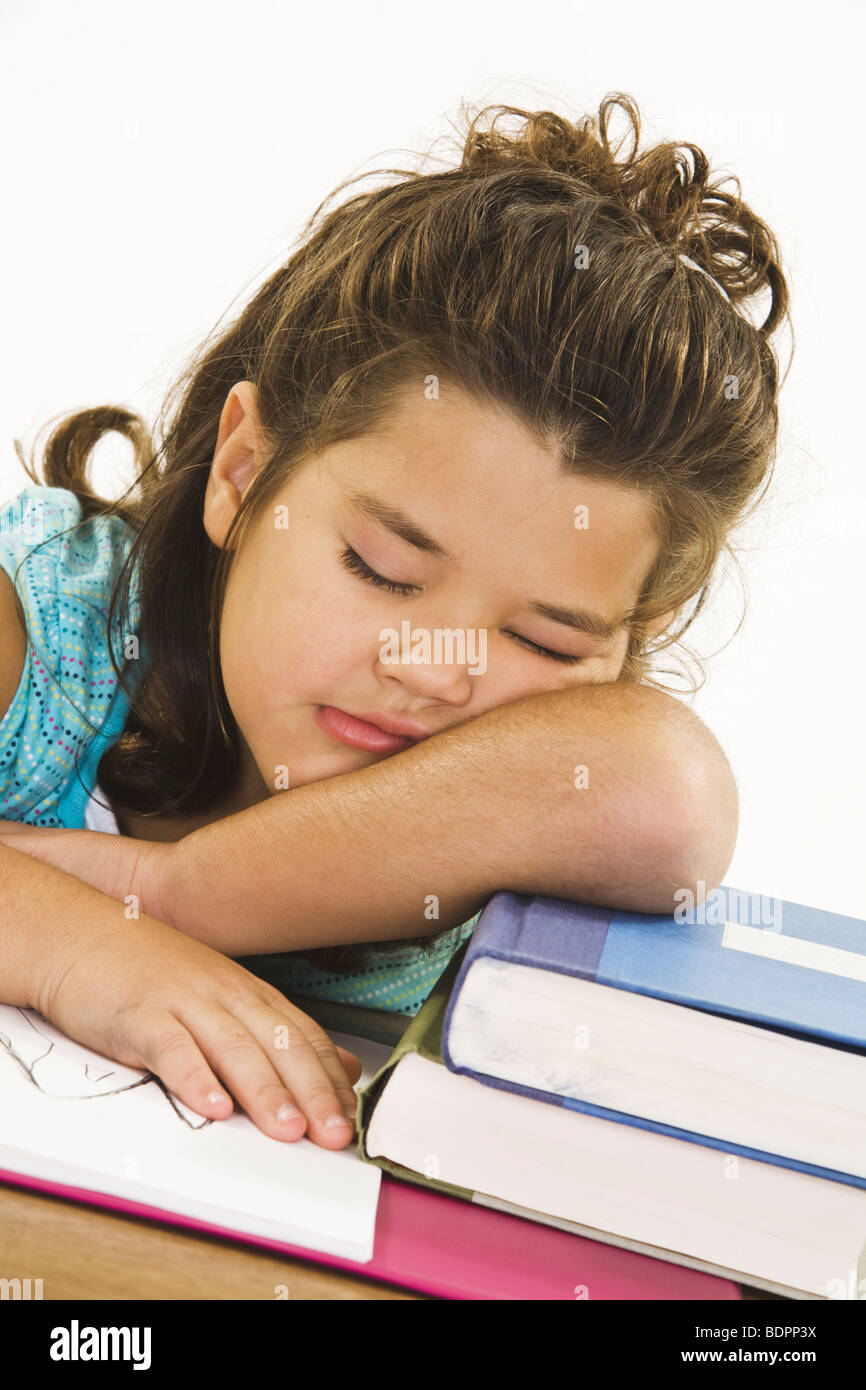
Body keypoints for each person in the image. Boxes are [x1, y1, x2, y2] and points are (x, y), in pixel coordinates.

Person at [0, 91, 787, 1147]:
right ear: (242, 470)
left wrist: (173, 891)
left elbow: (671, 799)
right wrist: (78, 944)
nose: (434, 667)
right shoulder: (41, 638)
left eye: (543, 641)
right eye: (380, 569)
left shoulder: (538, 814)